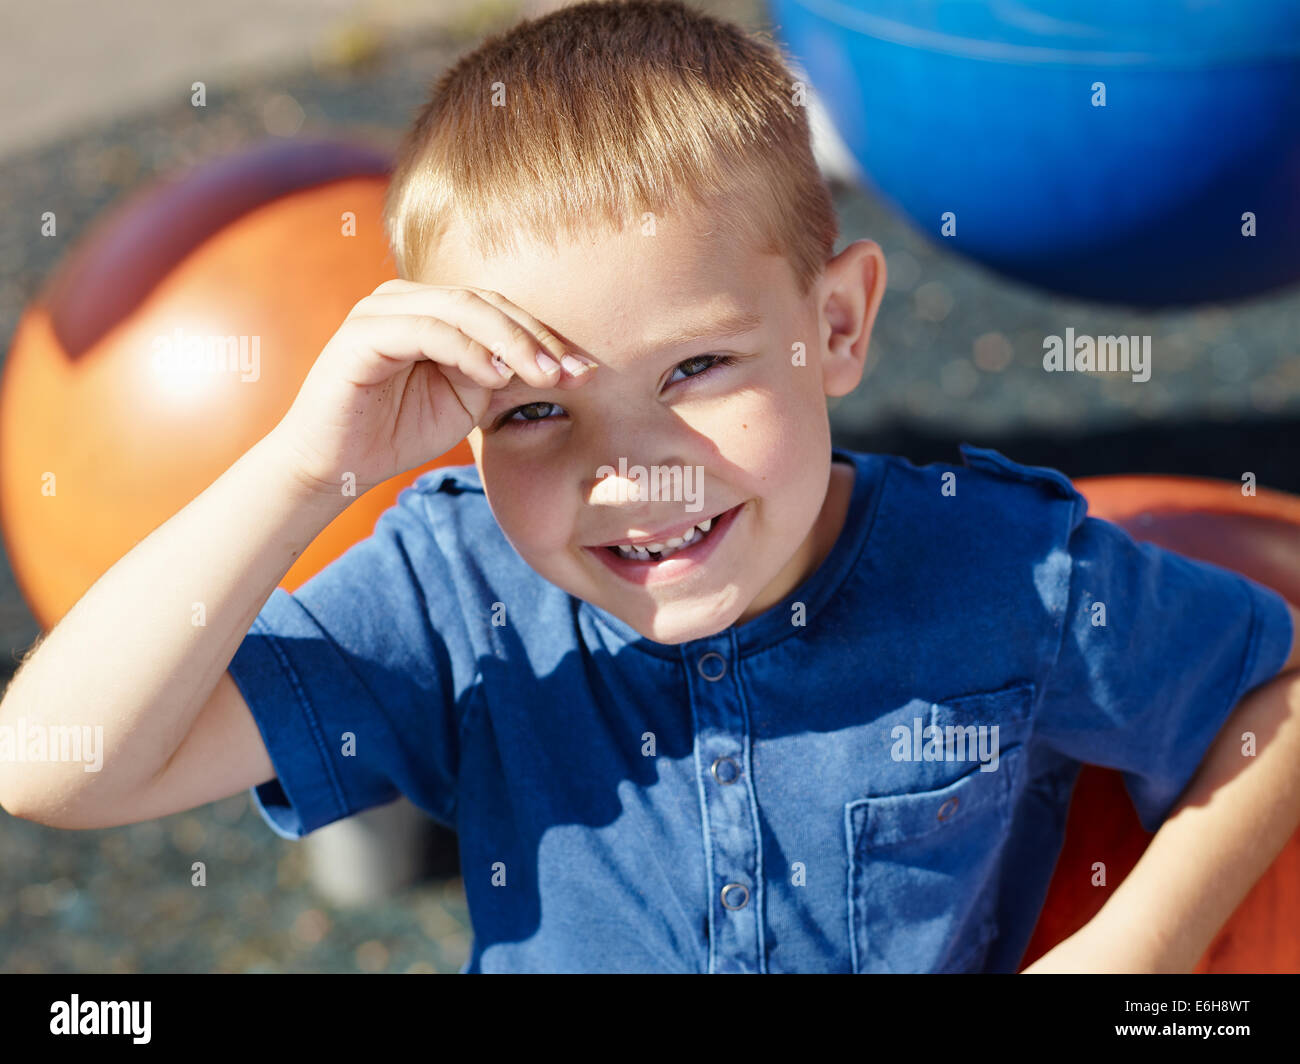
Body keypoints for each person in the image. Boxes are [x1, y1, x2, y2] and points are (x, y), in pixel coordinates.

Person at [2, 0, 1298, 974]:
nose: (626, 471)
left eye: (693, 367)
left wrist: (1136, 949)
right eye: (536, 409)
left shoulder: (1002, 575)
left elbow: (1275, 701)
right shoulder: (453, 599)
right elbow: (55, 770)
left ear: (838, 324)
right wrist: (302, 469)